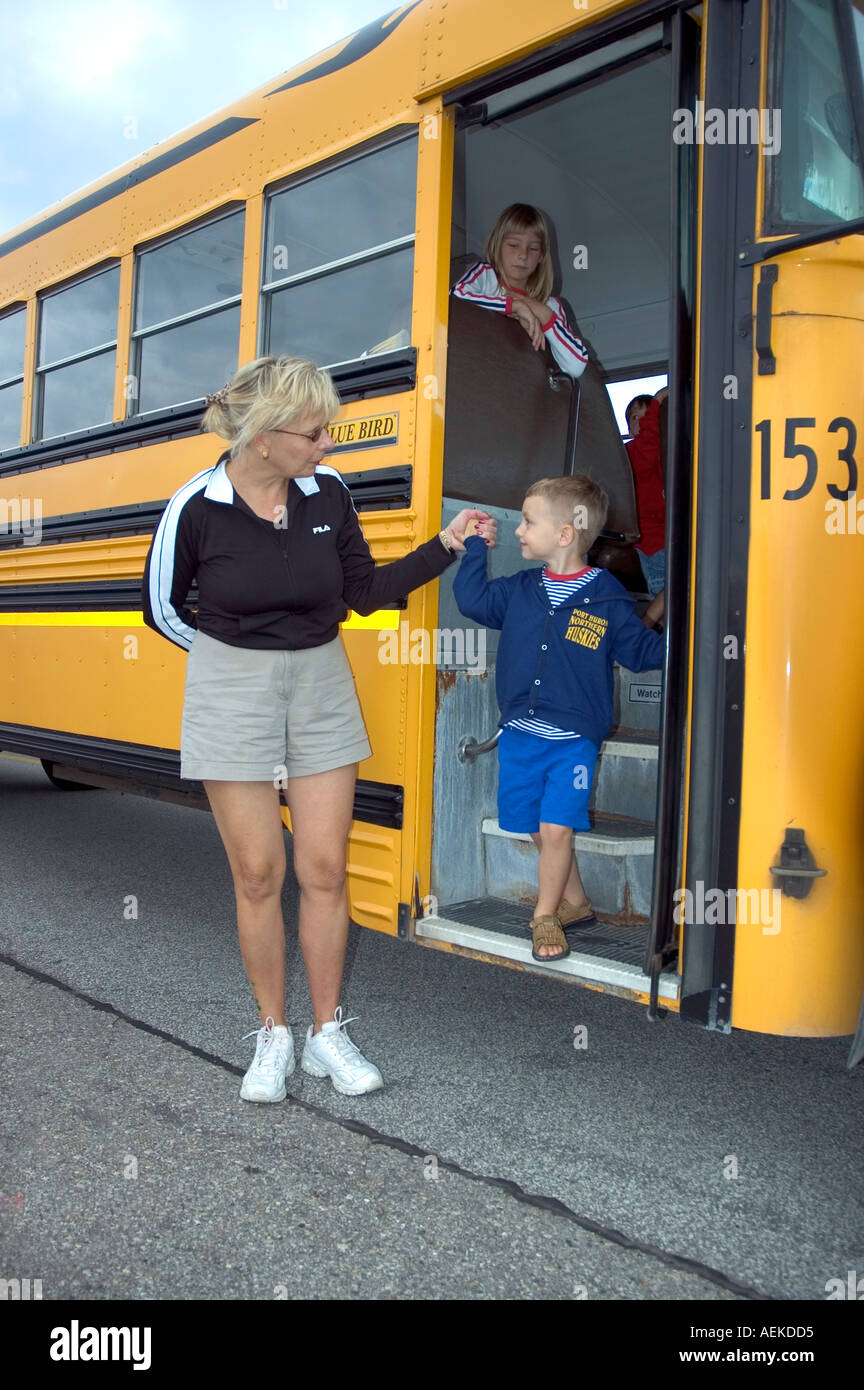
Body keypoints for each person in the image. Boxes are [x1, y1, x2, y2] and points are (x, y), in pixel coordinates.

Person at [142, 355, 489, 1101]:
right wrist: (233, 663)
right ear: (264, 438)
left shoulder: (327, 494)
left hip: (323, 682)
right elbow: (162, 609)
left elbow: (363, 592)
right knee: (259, 873)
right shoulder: (196, 506)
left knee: (324, 870)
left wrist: (446, 544)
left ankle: (328, 1034)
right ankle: (272, 1033)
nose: (327, 443)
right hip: (232, 684)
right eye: (313, 432)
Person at [454, 476, 664, 962]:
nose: (520, 530)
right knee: (531, 823)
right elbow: (473, 601)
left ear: (565, 535)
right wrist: (475, 549)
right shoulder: (521, 589)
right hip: (521, 736)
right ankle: (577, 902)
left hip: (573, 741)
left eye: (528, 521)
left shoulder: (607, 598)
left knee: (556, 829)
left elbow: (639, 651)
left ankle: (545, 917)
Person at [451, 203, 589, 379]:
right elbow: (455, 297)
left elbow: (576, 365)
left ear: (541, 256)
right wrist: (514, 306)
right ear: (497, 245)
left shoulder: (550, 306)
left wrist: (544, 314)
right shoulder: (485, 276)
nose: (523, 255)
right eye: (513, 245)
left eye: (533, 248)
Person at [625, 388, 667, 628]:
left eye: (647, 415)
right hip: (651, 541)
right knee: (672, 590)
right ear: (629, 428)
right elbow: (650, 442)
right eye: (635, 418)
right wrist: (658, 401)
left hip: (669, 536)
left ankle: (652, 634)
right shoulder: (632, 453)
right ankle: (643, 629)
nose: (642, 422)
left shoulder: (663, 455)